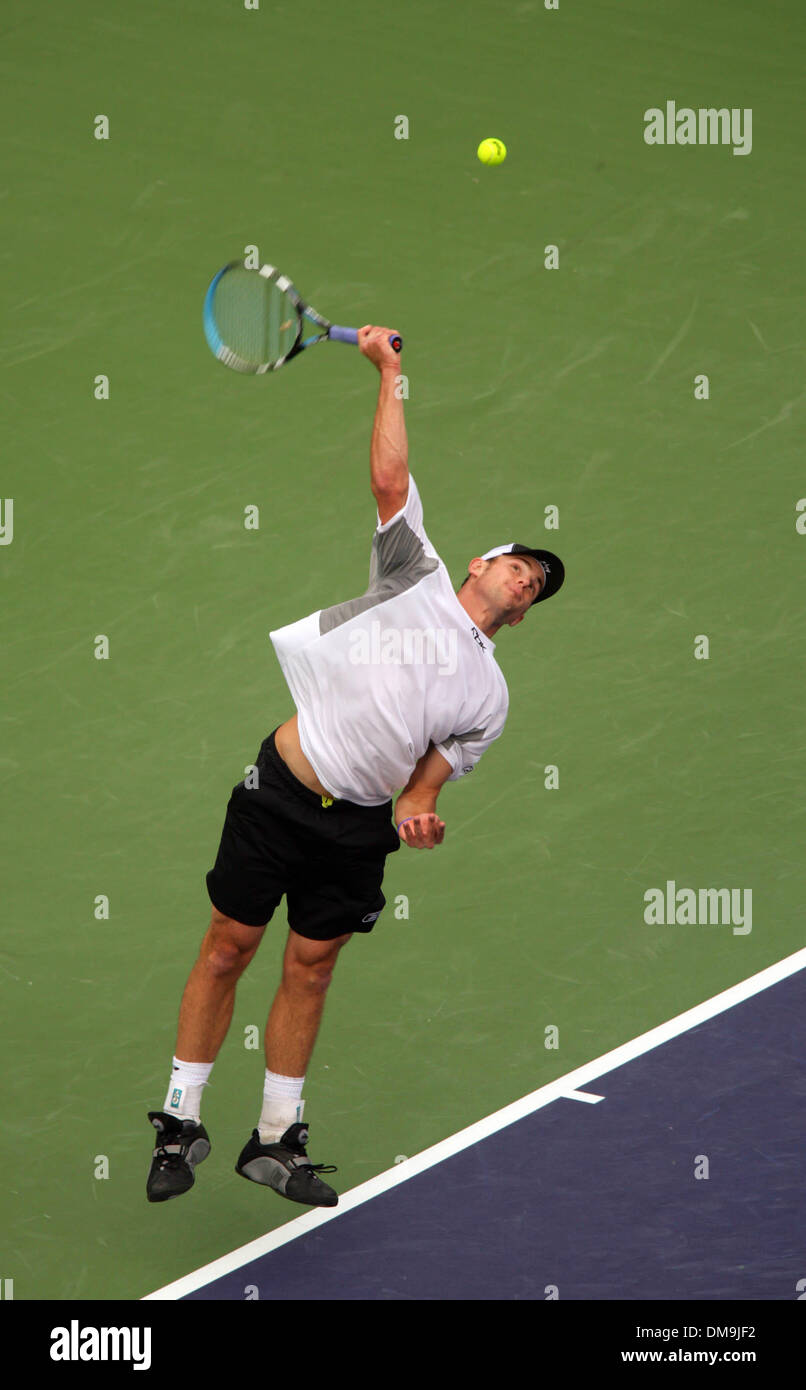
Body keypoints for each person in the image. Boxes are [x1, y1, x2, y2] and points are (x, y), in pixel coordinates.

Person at [146, 324, 564, 1208]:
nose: (527, 581)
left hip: (357, 826)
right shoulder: (413, 569)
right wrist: (390, 369)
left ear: (521, 618)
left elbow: (425, 780)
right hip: (280, 790)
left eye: (536, 587)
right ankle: (180, 1122)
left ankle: (275, 1139)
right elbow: (390, 478)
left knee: (312, 965)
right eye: (521, 566)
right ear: (482, 564)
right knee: (229, 948)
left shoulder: (488, 697)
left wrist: (415, 813)